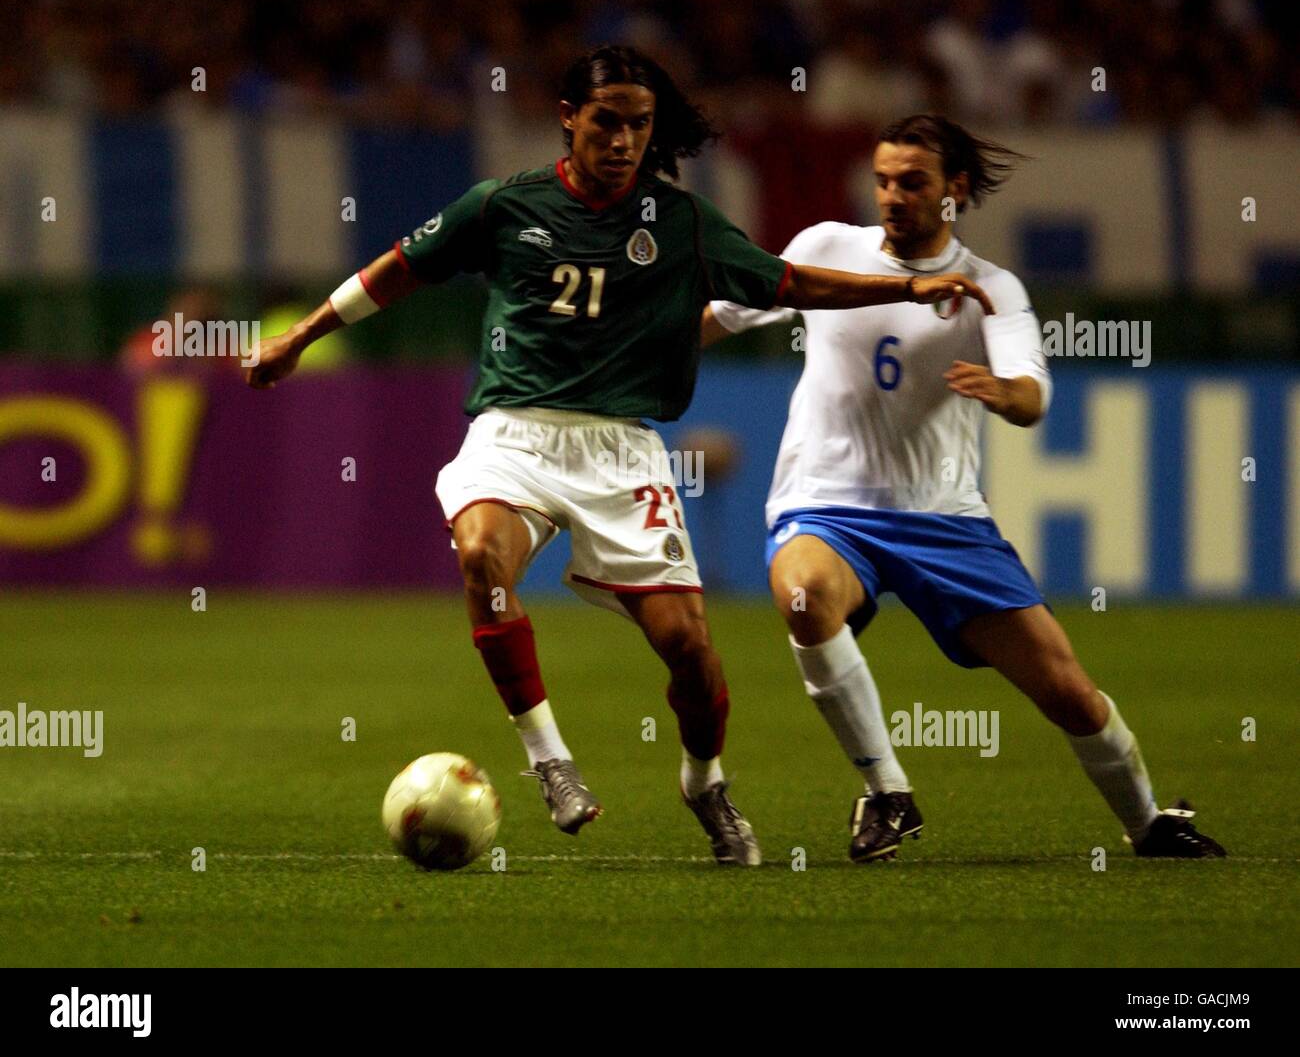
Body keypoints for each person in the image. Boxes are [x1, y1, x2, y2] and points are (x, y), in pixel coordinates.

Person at [246, 52, 991, 866]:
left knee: (689, 648)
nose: (625, 138)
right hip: (514, 432)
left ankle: (705, 780)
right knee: (481, 556)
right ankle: (549, 760)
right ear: (570, 115)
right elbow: (396, 270)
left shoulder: (681, 222)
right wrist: (300, 336)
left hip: (620, 451)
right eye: (608, 120)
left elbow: (786, 284)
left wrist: (905, 288)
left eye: (639, 124)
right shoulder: (503, 204)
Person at [704, 113, 1224, 862]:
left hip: (944, 521)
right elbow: (719, 315)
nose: (892, 195)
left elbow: (1031, 395)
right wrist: (622, 347)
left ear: (955, 191)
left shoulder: (989, 289)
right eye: (883, 179)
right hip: (828, 506)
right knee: (802, 593)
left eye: (912, 182)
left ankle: (1147, 822)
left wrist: (1005, 394)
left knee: (1068, 692)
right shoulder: (824, 248)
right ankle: (888, 791)